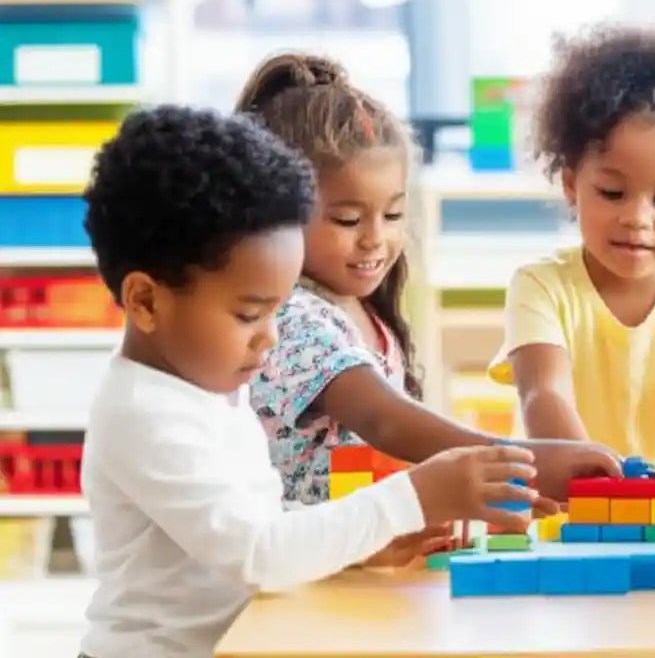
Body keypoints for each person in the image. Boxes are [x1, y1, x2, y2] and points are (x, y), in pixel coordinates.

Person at [78, 105, 541, 658]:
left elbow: (261, 521)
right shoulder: (144, 412)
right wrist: (413, 495)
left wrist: (360, 546)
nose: (270, 339)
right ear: (146, 300)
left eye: (276, 313)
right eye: (250, 315)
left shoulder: (206, 383)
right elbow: (259, 553)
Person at [232, 52, 620, 516]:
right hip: (313, 562)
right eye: (348, 219)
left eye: (393, 214)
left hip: (366, 555)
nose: (376, 238)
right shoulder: (290, 317)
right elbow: (385, 421)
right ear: (277, 213)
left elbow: (393, 457)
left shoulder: (364, 313)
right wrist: (521, 459)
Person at [486, 24, 655, 469]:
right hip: (553, 507)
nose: (637, 218)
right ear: (572, 185)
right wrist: (601, 481)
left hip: (652, 509)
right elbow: (544, 393)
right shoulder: (540, 286)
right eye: (613, 193)